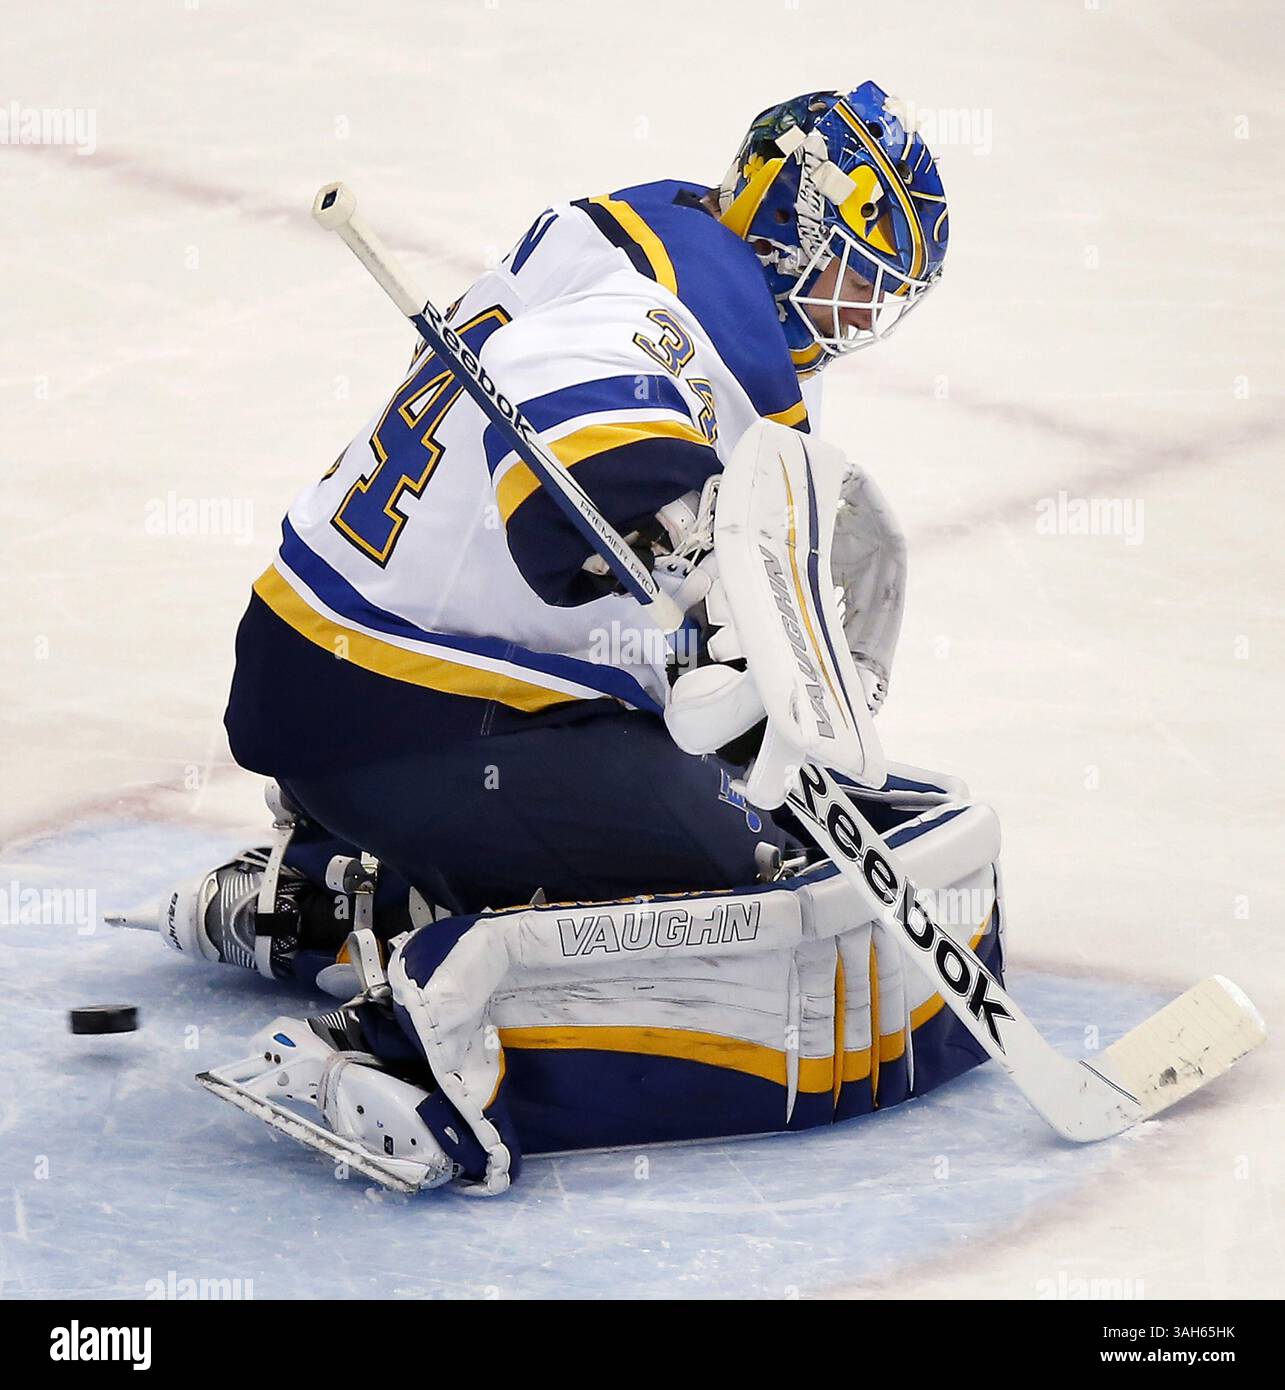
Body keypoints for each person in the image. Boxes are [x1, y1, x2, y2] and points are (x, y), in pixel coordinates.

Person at [153, 83, 1006, 1194]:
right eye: (853, 270)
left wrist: (705, 626)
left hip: (334, 671)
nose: (857, 312)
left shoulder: (639, 244)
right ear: (791, 227)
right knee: (728, 859)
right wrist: (682, 536)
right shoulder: (690, 304)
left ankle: (330, 895)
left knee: (717, 784)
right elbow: (565, 400)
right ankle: (398, 1048)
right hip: (398, 700)